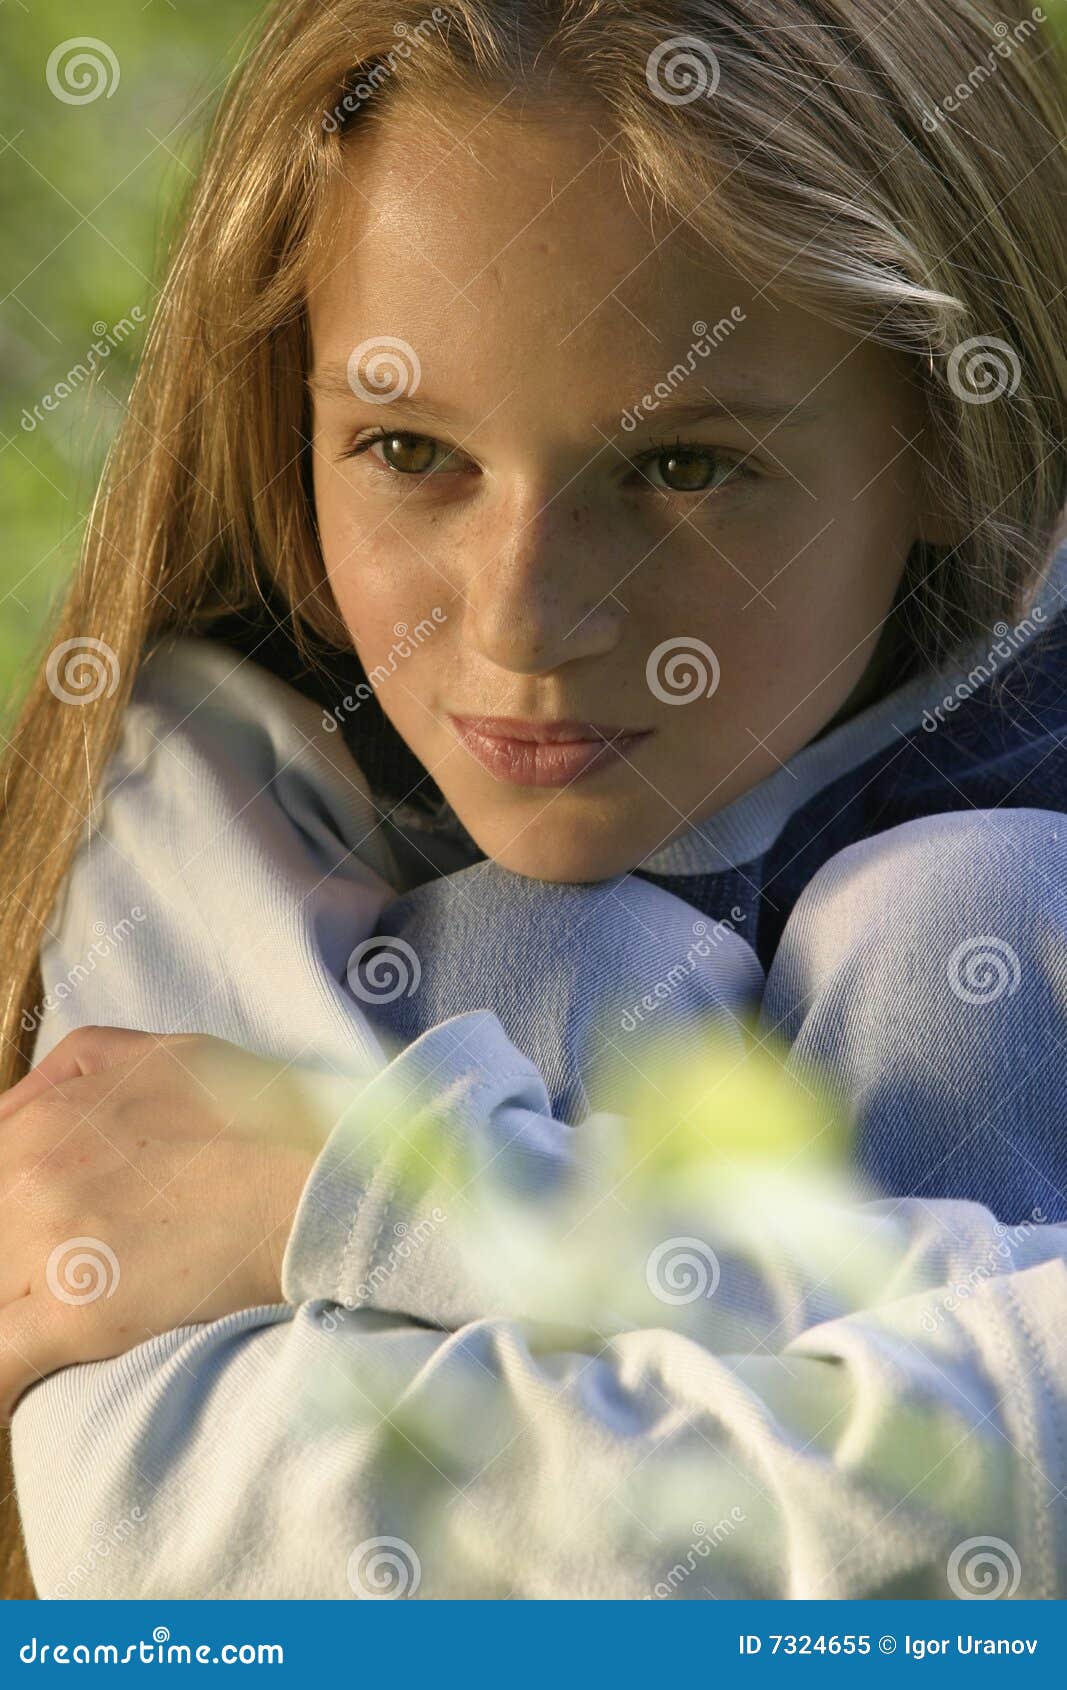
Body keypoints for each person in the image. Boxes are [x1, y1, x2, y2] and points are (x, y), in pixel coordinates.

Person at [1, 0, 1066, 1599]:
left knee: (961, 921)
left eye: (684, 467)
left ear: (944, 432)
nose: (519, 622)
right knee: (554, 966)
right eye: (411, 450)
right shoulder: (206, 790)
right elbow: (189, 1560)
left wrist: (370, 1187)